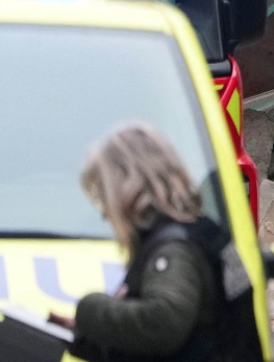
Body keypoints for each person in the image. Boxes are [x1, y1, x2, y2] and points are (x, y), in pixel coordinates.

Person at [55, 124, 254, 361]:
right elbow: (188, 340)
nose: (105, 213)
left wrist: (89, 308)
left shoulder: (175, 249)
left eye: (103, 195)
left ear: (126, 188)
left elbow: (162, 323)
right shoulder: (200, 233)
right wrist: (87, 341)